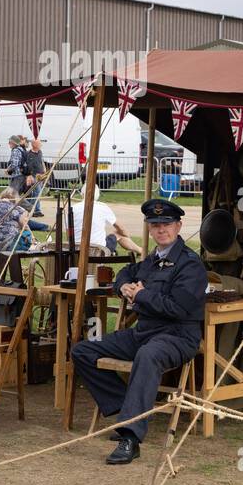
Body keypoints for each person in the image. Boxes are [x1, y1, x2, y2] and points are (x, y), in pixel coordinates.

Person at [70, 199, 206, 465]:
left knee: (148, 355)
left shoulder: (190, 265)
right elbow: (125, 272)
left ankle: (130, 438)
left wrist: (142, 295)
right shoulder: (152, 260)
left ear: (178, 226)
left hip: (177, 336)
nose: (160, 230)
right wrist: (122, 287)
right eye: (155, 225)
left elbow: (178, 308)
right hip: (144, 332)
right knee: (83, 350)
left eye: (166, 224)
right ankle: (129, 409)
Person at [69, 186, 143, 257]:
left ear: (82, 194)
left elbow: (69, 233)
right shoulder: (102, 207)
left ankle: (139, 251)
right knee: (117, 234)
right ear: (97, 195)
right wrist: (127, 237)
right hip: (98, 249)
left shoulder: (72, 208)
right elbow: (120, 228)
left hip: (76, 248)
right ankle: (141, 251)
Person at [0, 188, 31, 281]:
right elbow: (25, 226)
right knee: (27, 236)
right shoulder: (17, 208)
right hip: (8, 244)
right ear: (15, 197)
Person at [21, 137, 46, 217]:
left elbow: (41, 161)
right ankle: (36, 210)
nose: (41, 144)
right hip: (34, 176)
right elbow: (27, 166)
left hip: (41, 175)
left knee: (36, 194)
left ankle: (29, 209)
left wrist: (44, 169)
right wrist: (29, 176)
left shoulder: (40, 152)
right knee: (37, 193)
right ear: (34, 145)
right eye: (39, 143)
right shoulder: (28, 154)